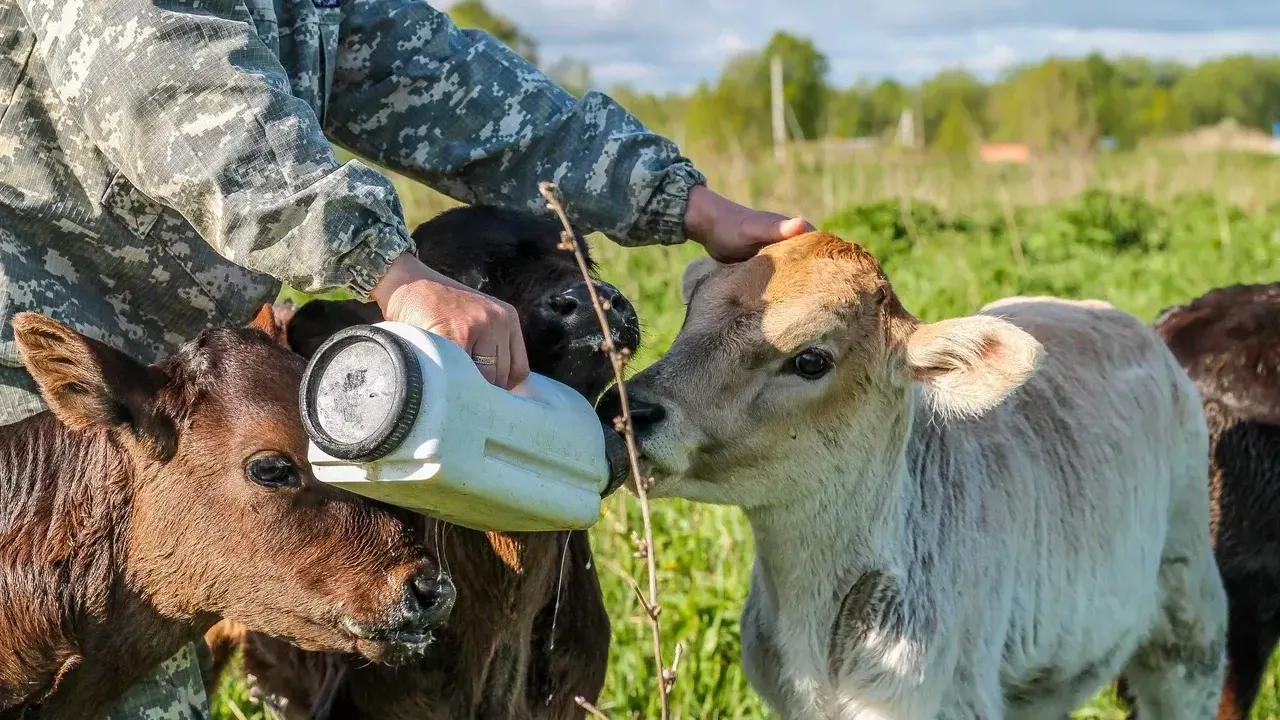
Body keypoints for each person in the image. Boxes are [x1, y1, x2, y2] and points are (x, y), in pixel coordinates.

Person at [0, 1, 813, 717]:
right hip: (30, 390)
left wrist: (684, 203)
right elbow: (176, 86)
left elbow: (434, 75)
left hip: (186, 431)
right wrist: (388, 269)